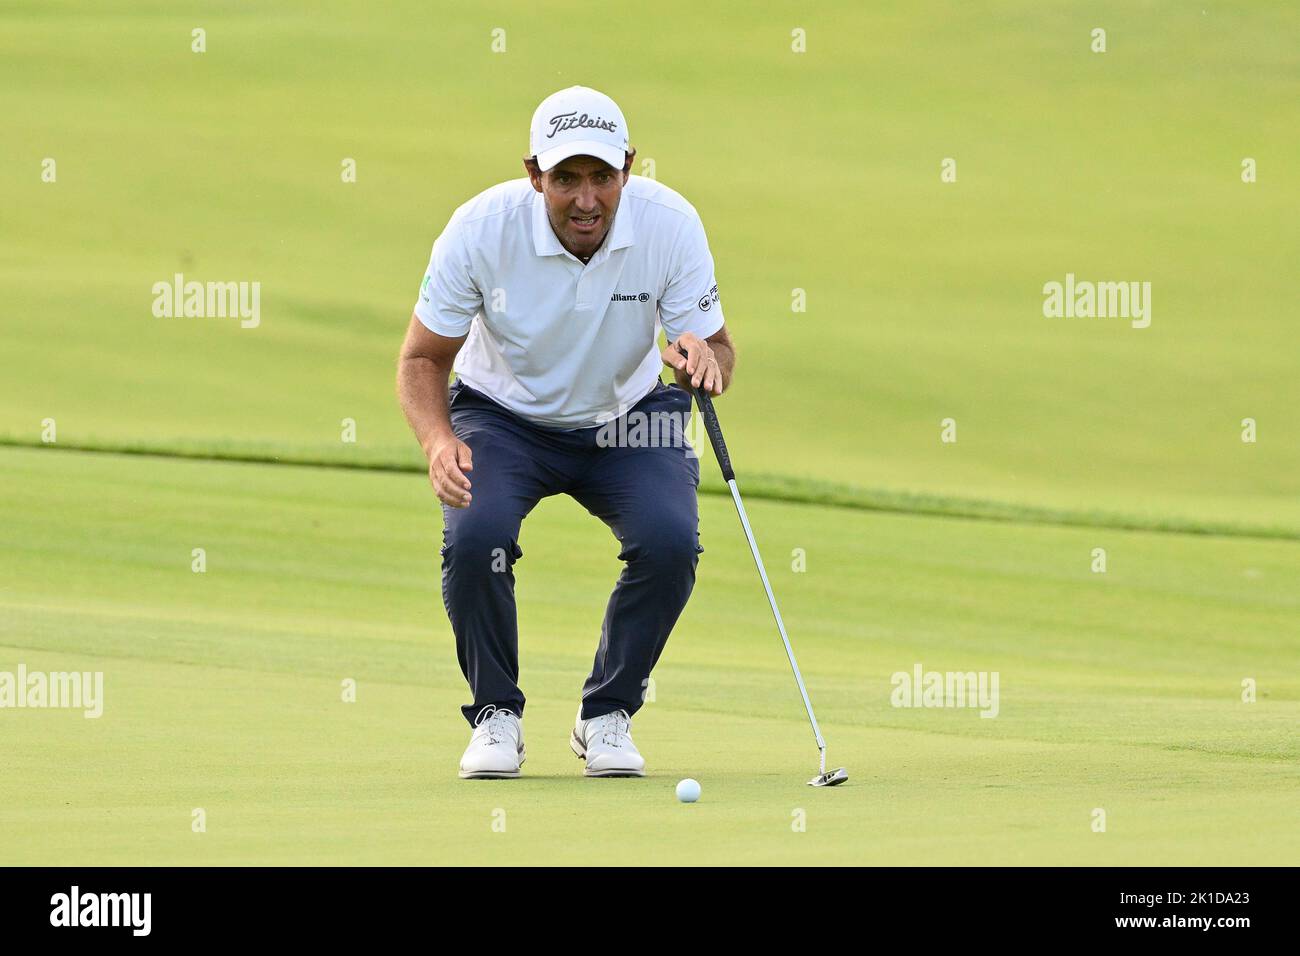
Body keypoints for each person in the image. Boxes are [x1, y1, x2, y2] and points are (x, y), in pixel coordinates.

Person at [397, 86, 735, 779]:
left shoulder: (671, 224)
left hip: (631, 413)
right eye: (566, 179)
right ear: (533, 175)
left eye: (602, 177)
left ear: (628, 169)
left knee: (670, 542)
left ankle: (606, 715)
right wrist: (437, 440)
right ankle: (496, 714)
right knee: (476, 538)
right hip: (503, 417)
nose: (586, 199)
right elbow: (422, 359)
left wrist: (702, 361)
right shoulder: (479, 229)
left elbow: (717, 348)